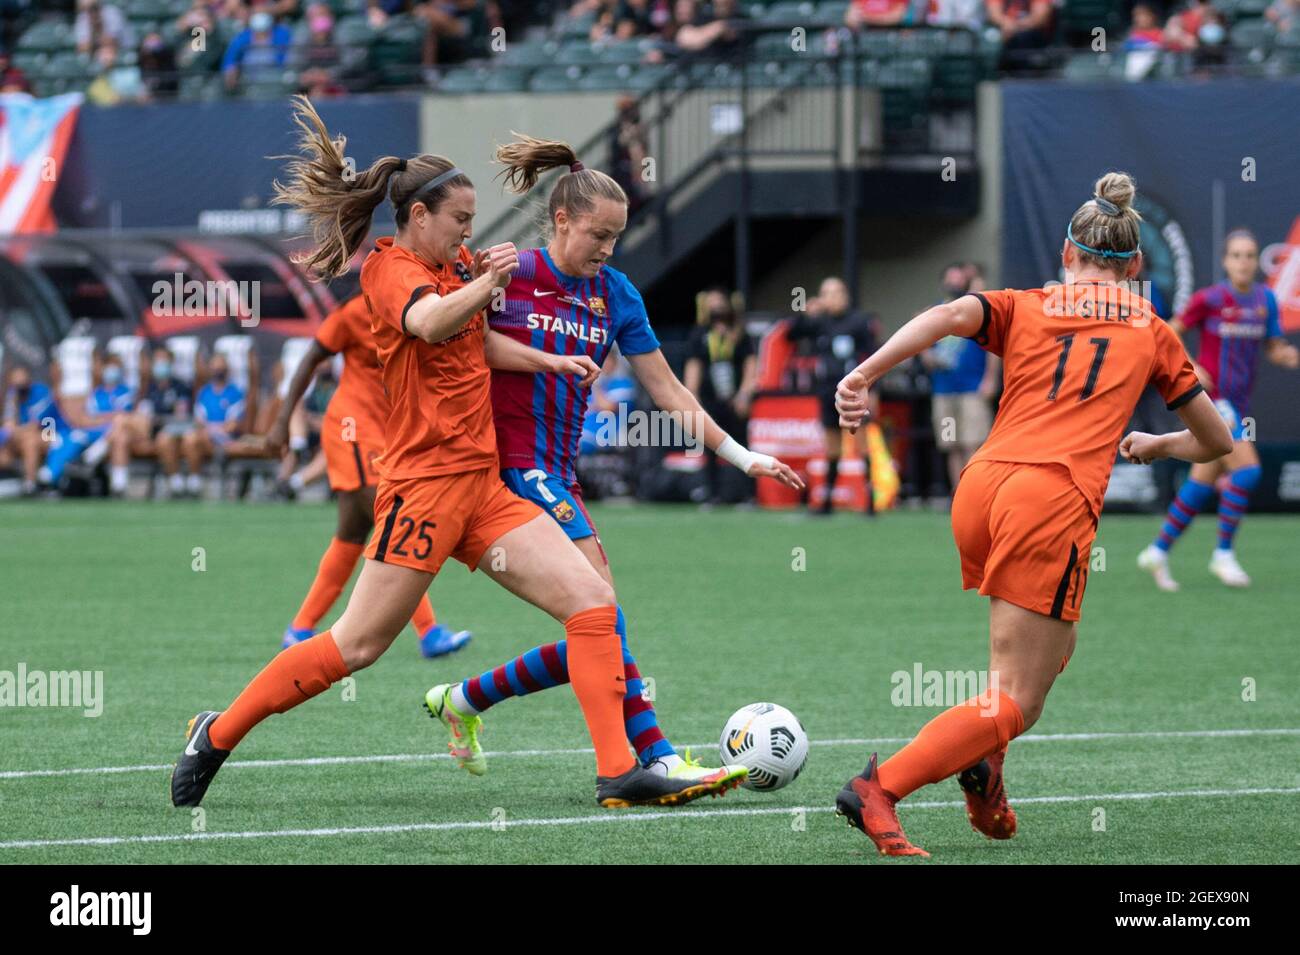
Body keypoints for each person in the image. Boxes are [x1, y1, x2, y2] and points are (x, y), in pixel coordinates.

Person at [172, 95, 731, 810]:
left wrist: (544, 359)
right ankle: (217, 731)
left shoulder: (456, 262)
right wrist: (487, 282)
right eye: (461, 220)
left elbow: (474, 336)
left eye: (471, 223)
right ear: (418, 218)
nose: (470, 232)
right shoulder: (390, 270)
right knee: (356, 645)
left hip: (486, 486)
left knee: (593, 604)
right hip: (424, 486)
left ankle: (620, 771)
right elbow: (434, 324)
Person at [831, 172, 1232, 857]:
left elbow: (951, 313)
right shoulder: (1152, 328)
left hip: (982, 485)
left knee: (1052, 650)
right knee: (1020, 698)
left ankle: (985, 768)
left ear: (1066, 251)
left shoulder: (1029, 302)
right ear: (1135, 265)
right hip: (1049, 499)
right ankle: (879, 786)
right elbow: (1217, 441)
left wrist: (865, 373)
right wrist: (1158, 443)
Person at [422, 133, 803, 785]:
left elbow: (669, 390)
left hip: (558, 472)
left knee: (592, 624)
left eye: (617, 237)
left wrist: (743, 457)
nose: (607, 249)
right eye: (598, 234)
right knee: (603, 613)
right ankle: (654, 756)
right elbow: (462, 346)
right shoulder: (509, 278)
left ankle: (465, 699)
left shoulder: (617, 294)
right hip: (510, 468)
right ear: (562, 220)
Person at [266, 294, 472, 657]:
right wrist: (283, 422)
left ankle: (299, 628)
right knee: (396, 522)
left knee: (351, 535)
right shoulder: (352, 313)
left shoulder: (420, 309)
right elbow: (310, 360)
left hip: (388, 432)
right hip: (352, 429)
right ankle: (429, 632)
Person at [1138, 229, 1299, 590]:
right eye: (1237, 255)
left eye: (1249, 255)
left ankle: (1158, 551)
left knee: (1201, 482)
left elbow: (1272, 345)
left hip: (1239, 404)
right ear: (1226, 261)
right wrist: (1190, 364)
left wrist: (1284, 355)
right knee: (1247, 471)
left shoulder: (1265, 300)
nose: (1244, 262)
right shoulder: (1210, 299)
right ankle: (1223, 553)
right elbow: (1169, 330)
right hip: (1213, 402)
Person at [787, 276, 877, 515]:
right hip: (827, 391)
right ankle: (827, 502)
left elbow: (873, 356)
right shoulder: (819, 322)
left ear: (845, 295)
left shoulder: (859, 322)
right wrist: (806, 313)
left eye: (836, 292)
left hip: (853, 392)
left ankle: (870, 501)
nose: (831, 298)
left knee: (861, 444)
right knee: (832, 446)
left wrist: (873, 390)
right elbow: (792, 334)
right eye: (826, 293)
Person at [921, 263, 1000, 494]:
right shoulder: (934, 312)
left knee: (973, 443)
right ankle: (959, 493)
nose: (954, 284)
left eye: (959, 280)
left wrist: (990, 379)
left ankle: (975, 494)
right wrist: (929, 357)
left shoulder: (975, 309)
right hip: (944, 392)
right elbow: (923, 349)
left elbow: (994, 350)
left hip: (972, 389)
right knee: (951, 444)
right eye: (950, 279)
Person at [683, 287, 757, 504]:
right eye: (712, 302)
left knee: (743, 444)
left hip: (735, 399)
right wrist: (692, 397)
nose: (716, 307)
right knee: (711, 445)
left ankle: (749, 495)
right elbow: (693, 366)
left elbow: (750, 365)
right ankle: (713, 494)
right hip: (709, 400)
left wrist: (744, 393)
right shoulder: (700, 334)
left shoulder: (740, 334)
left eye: (720, 302)